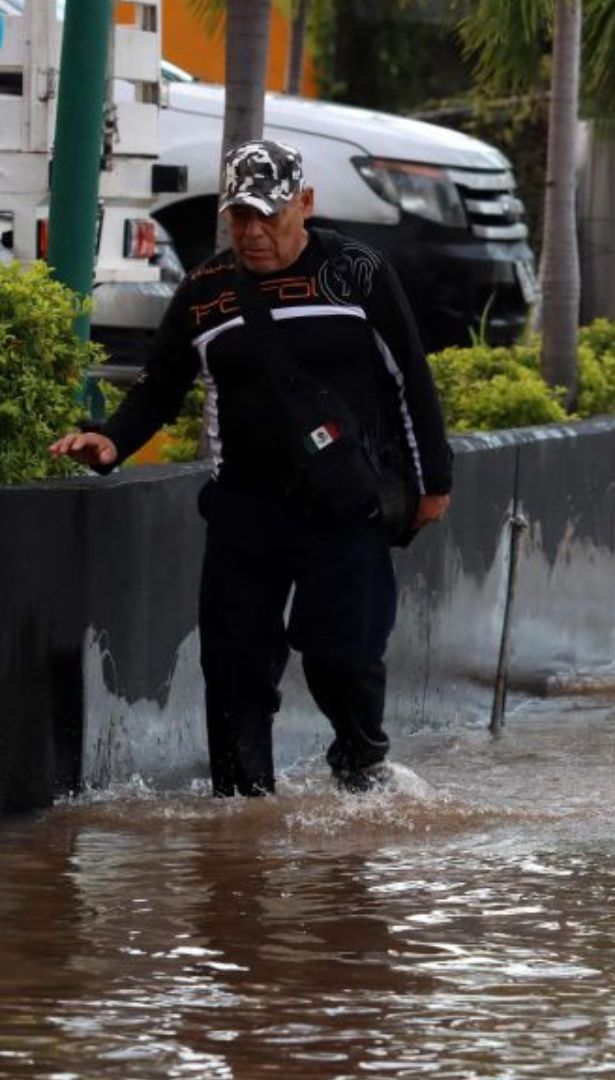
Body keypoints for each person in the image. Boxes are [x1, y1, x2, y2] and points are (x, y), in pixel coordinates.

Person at [49, 139, 453, 796]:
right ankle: (242, 809)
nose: (254, 230)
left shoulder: (356, 273)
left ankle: (360, 759)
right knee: (234, 666)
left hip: (344, 503)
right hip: (244, 509)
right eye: (241, 216)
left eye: (269, 214)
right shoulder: (206, 292)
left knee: (341, 654)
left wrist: (433, 480)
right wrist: (112, 442)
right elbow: (160, 385)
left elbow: (409, 376)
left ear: (306, 204)